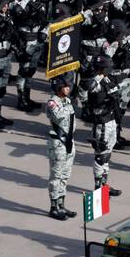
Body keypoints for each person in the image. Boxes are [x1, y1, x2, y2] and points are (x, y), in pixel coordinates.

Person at [45, 75, 77, 219]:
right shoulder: (52, 102)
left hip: (69, 141)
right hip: (58, 143)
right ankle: (53, 207)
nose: (68, 88)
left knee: (65, 175)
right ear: (58, 88)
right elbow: (58, 116)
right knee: (56, 176)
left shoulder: (67, 101)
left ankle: (61, 204)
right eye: (65, 86)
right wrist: (68, 107)